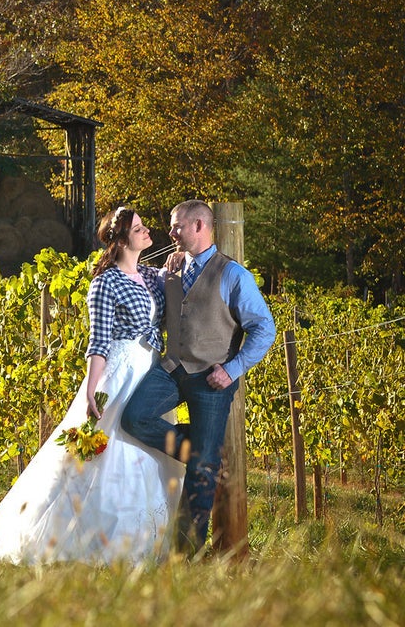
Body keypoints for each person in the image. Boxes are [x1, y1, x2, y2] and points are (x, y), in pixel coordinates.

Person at [0, 207, 185, 565]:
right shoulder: (105, 283)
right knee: (103, 452)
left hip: (150, 374)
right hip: (118, 374)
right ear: (121, 240)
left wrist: (177, 266)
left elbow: (173, 293)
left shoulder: (150, 276)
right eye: (139, 228)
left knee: (146, 450)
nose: (148, 231)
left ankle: (148, 539)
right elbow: (99, 342)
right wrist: (91, 389)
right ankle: (91, 541)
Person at [121, 199, 276, 555]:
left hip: (212, 376)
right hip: (172, 368)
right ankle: (203, 452)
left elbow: (264, 328)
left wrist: (233, 369)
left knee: (202, 468)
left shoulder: (233, 274)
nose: (171, 232)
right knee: (135, 418)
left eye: (177, 226)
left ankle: (184, 552)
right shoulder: (173, 264)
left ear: (199, 227)